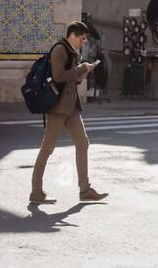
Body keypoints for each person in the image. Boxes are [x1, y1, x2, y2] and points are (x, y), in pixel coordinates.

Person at [29, 21, 108, 205]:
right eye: (82, 39)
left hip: (70, 106)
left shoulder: (73, 51)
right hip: (58, 108)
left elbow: (71, 80)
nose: (83, 42)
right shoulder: (60, 49)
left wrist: (82, 74)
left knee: (82, 143)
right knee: (47, 148)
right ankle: (36, 192)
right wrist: (80, 69)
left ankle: (85, 189)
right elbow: (58, 76)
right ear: (72, 35)